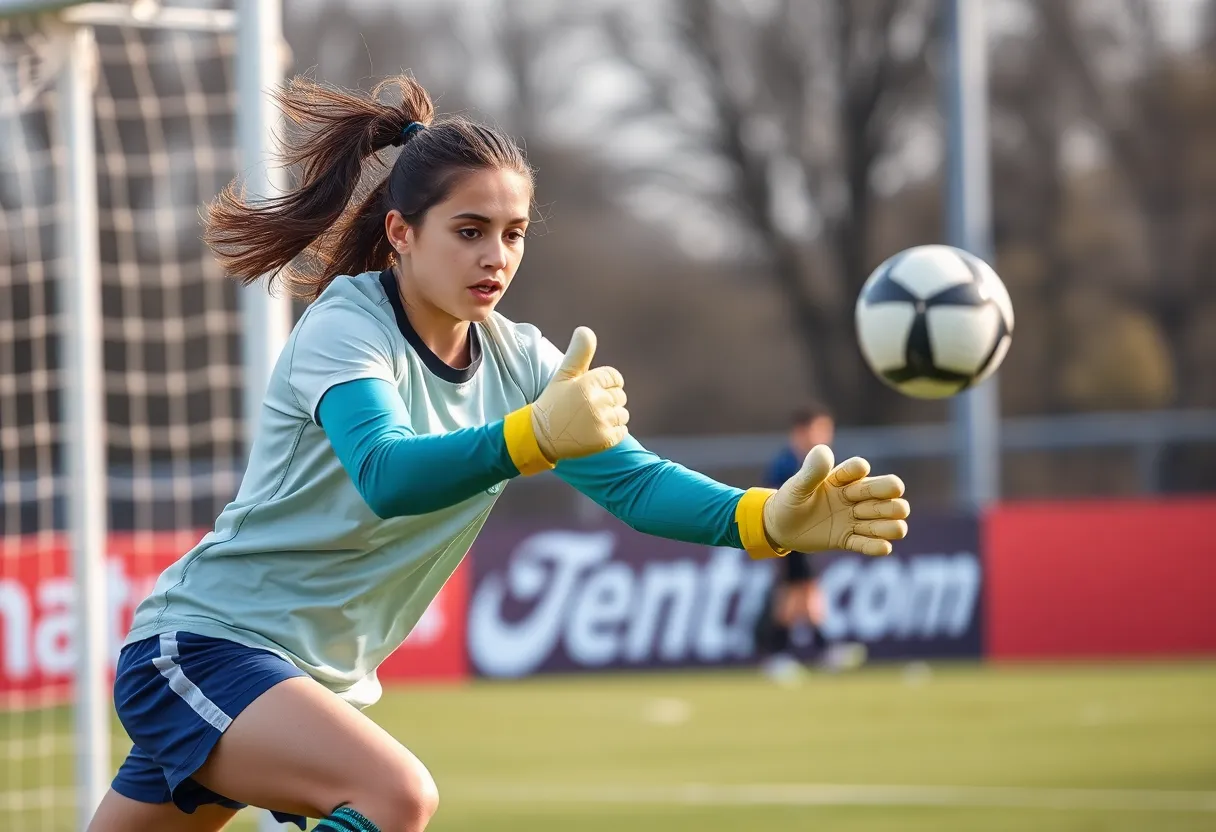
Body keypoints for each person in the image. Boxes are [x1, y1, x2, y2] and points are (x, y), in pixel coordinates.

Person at [87, 76, 910, 832]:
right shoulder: (349, 325)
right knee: (396, 796)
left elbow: (631, 483)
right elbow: (385, 473)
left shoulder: (520, 359)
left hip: (293, 682)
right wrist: (532, 438)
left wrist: (764, 519)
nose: (496, 257)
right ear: (401, 233)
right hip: (202, 649)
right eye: (470, 231)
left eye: (512, 234)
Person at [754, 404, 866, 681]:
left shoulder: (808, 462)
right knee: (794, 596)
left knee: (806, 593)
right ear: (803, 431)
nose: (826, 436)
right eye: (821, 429)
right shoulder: (787, 464)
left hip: (806, 537)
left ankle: (819, 649)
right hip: (789, 537)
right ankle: (781, 655)